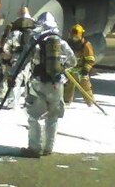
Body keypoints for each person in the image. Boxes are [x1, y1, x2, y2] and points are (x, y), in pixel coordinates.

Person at [11, 11, 75, 157]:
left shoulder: (36, 41)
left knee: (35, 116)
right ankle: (48, 148)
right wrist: (61, 68)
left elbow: (23, 60)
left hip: (39, 82)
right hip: (57, 84)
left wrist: (12, 75)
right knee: (52, 117)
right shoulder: (60, 42)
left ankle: (34, 148)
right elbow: (73, 61)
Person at [0, 7, 35, 108]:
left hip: (16, 57)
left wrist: (6, 55)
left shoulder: (14, 32)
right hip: (30, 58)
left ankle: (12, 102)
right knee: (29, 80)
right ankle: (29, 102)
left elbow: (6, 46)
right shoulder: (34, 31)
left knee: (14, 80)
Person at [63, 24, 96, 106]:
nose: (74, 39)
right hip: (70, 69)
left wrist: (86, 69)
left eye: (77, 37)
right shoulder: (67, 44)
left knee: (85, 86)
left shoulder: (86, 45)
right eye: (73, 36)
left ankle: (90, 102)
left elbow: (90, 60)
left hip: (81, 70)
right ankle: (66, 101)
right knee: (68, 85)